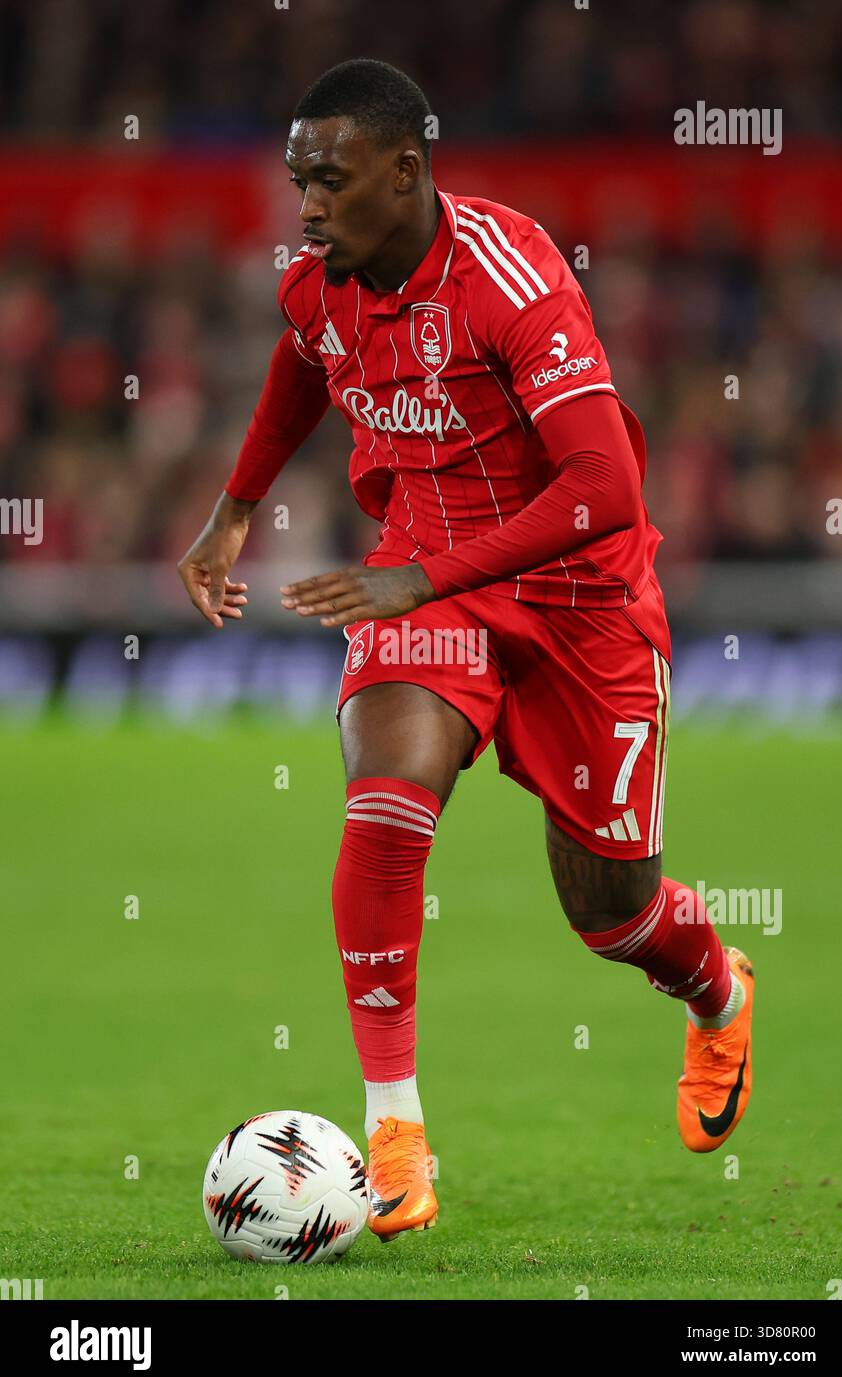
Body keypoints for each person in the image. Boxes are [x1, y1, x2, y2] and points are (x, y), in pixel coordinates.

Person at [178, 58, 755, 1242]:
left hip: (578, 599)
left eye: (329, 181)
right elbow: (302, 358)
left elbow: (604, 483)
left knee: (611, 912)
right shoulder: (320, 283)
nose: (307, 206)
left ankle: (715, 990)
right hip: (427, 581)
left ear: (406, 170)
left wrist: (414, 573)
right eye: (298, 181)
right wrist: (234, 506)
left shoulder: (510, 276)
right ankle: (396, 1133)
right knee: (383, 804)